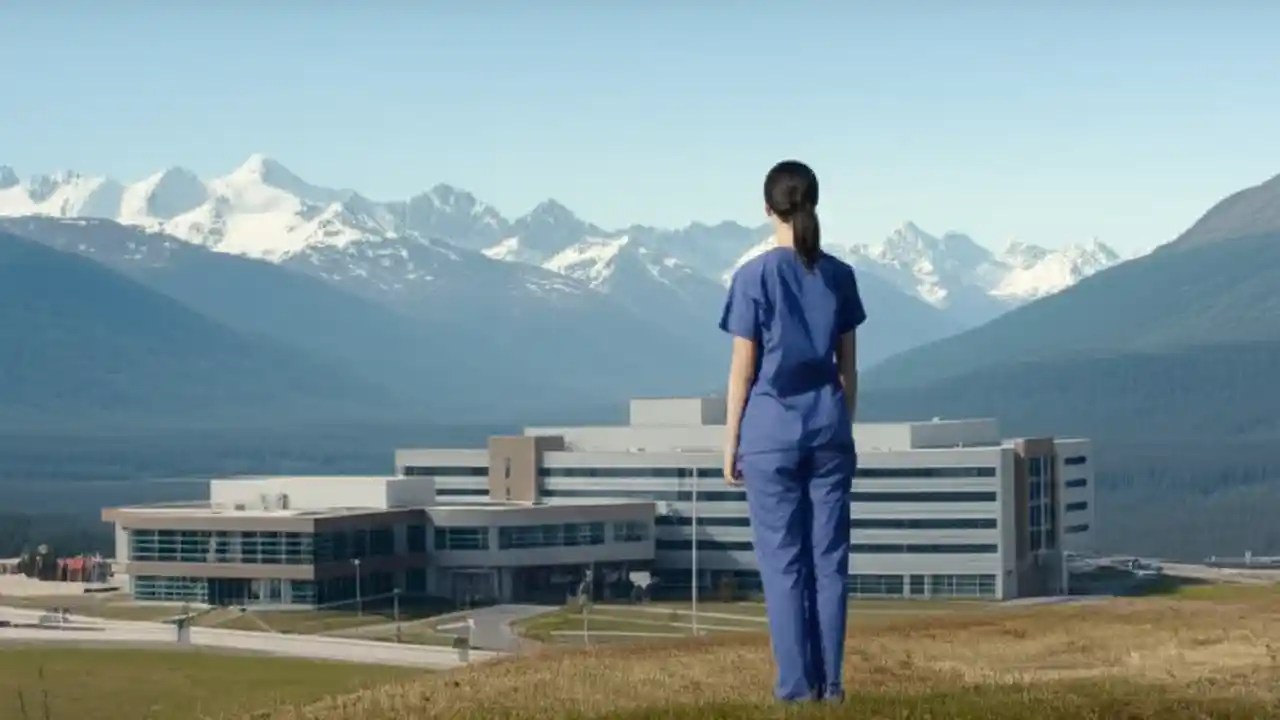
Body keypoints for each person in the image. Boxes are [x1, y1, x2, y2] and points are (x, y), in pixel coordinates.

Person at [719, 159, 865, 703]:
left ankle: (796, 691)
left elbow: (743, 370)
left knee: (784, 567)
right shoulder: (840, 276)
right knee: (830, 564)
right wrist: (840, 427)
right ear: (814, 204)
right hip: (828, 428)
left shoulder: (753, 277)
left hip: (769, 433)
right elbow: (848, 369)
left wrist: (731, 442)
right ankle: (832, 687)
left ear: (767, 209)